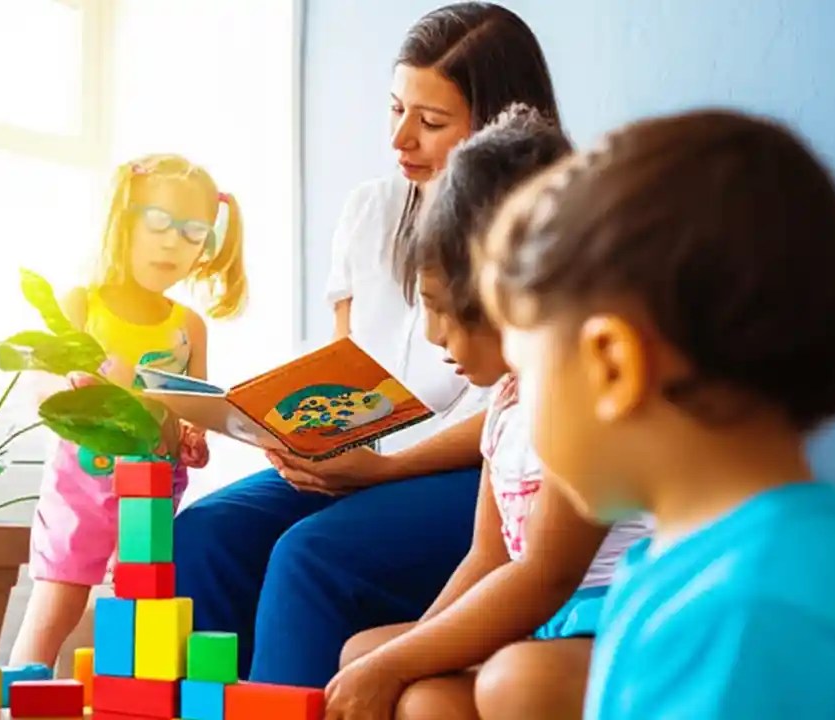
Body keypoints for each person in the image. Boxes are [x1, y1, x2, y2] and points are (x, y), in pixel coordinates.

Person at [174, 2, 564, 688]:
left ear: (498, 124)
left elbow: (519, 401)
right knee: (204, 532)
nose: (401, 140)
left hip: (471, 475)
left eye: (432, 122)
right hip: (366, 457)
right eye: (395, 110)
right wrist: (303, 434)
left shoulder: (534, 233)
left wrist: (385, 471)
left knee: (311, 555)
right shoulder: (371, 210)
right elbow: (346, 366)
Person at [476, 109, 835, 718]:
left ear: (613, 366)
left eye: (525, 370)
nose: (521, 398)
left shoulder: (744, 613)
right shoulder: (708, 567)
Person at [323, 105, 651, 720]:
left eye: (443, 308)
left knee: (479, 688)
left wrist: (401, 662)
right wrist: (407, 652)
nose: (435, 336)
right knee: (366, 657)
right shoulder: (506, 402)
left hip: (611, 620)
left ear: (509, 290)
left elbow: (545, 575)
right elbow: (488, 558)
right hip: (544, 624)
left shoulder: (580, 400)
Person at [9, 153, 247, 667]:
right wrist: (64, 384)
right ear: (124, 221)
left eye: (193, 232)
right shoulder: (82, 303)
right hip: (82, 488)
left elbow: (195, 405)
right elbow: (36, 380)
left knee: (142, 611)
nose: (173, 242)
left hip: (155, 487)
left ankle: (130, 700)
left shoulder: (188, 325)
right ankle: (19, 699)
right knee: (57, 604)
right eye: (160, 222)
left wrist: (194, 435)